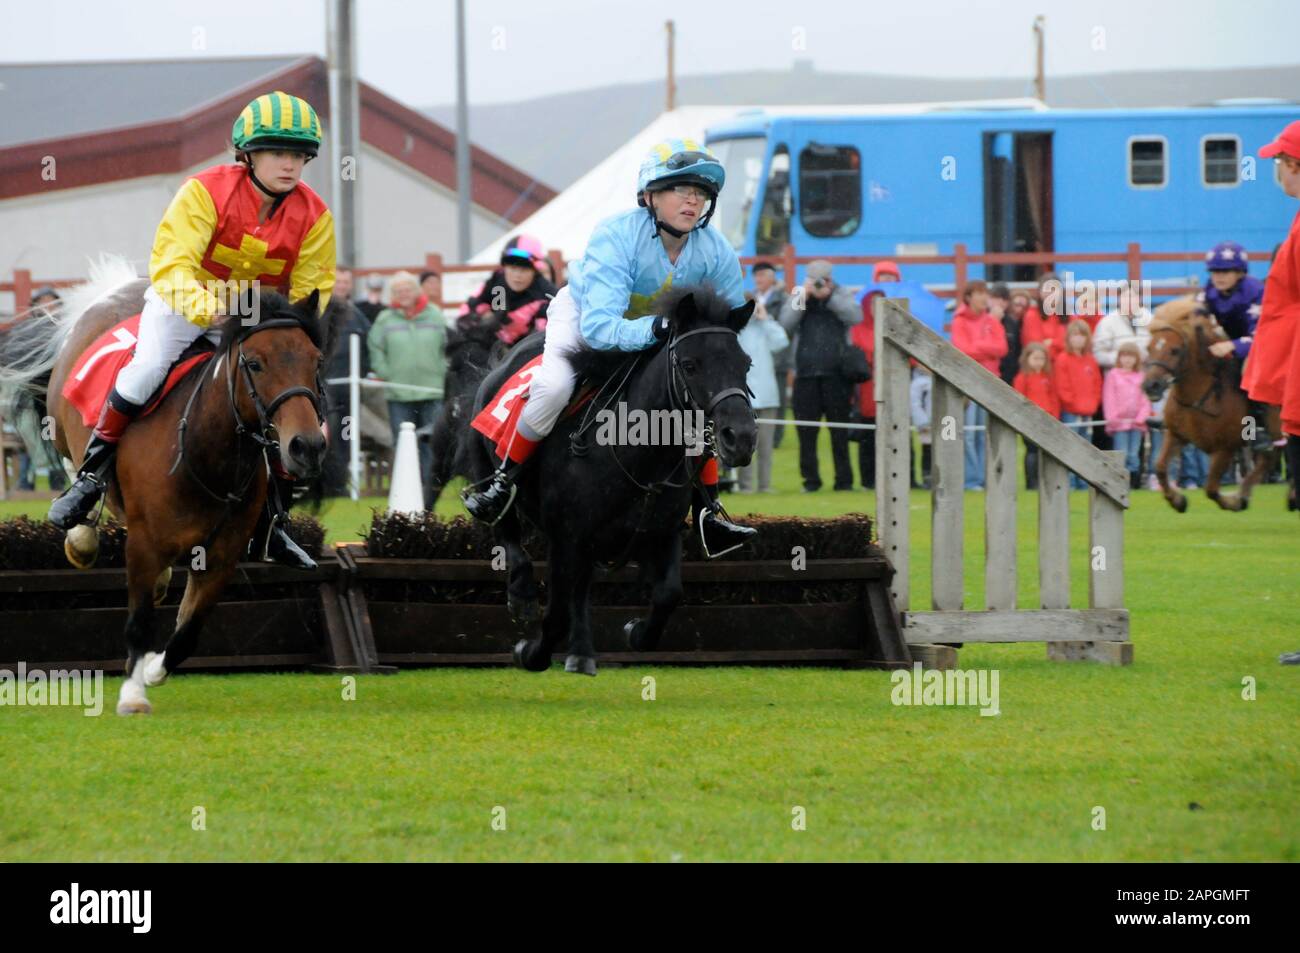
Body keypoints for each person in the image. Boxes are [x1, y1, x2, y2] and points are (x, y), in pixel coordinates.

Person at [47, 90, 334, 571]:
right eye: (278, 153)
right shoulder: (203, 191)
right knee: (147, 369)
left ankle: (274, 525)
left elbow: (312, 289)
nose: (290, 165)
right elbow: (173, 265)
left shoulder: (315, 215)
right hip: (182, 303)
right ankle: (89, 480)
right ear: (249, 155)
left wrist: (285, 328)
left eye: (299, 156)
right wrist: (211, 311)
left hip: (252, 318)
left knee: (291, 400)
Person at [460, 139, 757, 556]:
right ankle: (503, 482)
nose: (693, 199)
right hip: (585, 319)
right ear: (650, 195)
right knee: (553, 386)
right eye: (681, 189)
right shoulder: (616, 235)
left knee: (694, 402)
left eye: (701, 192)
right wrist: (657, 328)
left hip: (659, 336)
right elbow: (600, 329)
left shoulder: (717, 250)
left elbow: (720, 326)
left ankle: (710, 511)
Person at [779, 259, 862, 493]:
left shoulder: (841, 293)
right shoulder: (799, 294)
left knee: (839, 431)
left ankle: (844, 481)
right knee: (806, 432)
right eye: (814, 279)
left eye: (823, 279)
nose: (818, 283)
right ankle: (811, 481)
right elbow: (785, 323)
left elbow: (855, 316)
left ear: (830, 278)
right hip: (805, 375)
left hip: (837, 375)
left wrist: (829, 297)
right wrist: (803, 296)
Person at [368, 271, 446, 502]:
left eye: (407, 289)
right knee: (402, 441)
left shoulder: (435, 315)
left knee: (431, 442)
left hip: (432, 390)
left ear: (416, 291)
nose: (403, 294)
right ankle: (405, 485)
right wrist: (384, 372)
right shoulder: (385, 319)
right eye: (398, 291)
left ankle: (428, 490)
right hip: (398, 393)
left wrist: (443, 370)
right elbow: (375, 347)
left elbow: (448, 345)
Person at [1197, 240, 1271, 452]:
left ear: (1240, 272)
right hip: (1225, 346)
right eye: (1214, 271)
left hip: (1257, 345)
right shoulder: (1209, 290)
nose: (1218, 276)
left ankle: (1257, 429)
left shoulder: (1256, 291)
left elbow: (1261, 335)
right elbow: (1197, 316)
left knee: (1247, 374)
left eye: (1226, 271)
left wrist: (1233, 345)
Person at [950, 280, 1008, 490]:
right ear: (968, 297)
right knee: (969, 432)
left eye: (986, 293)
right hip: (969, 381)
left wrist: (979, 347)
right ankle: (972, 479)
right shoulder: (959, 320)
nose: (984, 298)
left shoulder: (991, 320)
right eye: (979, 294)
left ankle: (985, 477)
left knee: (986, 432)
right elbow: (962, 350)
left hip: (991, 380)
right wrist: (986, 346)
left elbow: (1002, 348)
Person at [321, 268, 373, 497]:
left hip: (350, 392)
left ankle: (342, 482)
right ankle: (325, 484)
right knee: (325, 436)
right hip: (324, 390)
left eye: (346, 282)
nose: (342, 285)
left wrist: (363, 373)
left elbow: (369, 347)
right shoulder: (320, 312)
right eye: (338, 281)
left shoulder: (357, 315)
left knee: (347, 435)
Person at [851, 261, 900, 489]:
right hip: (868, 387)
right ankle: (868, 479)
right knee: (869, 434)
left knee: (898, 431)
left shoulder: (898, 327)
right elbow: (861, 353)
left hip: (894, 383)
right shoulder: (859, 329)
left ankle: (901, 475)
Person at [734, 288, 789, 493]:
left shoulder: (766, 326)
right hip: (743, 395)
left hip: (767, 396)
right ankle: (745, 486)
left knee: (766, 447)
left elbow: (781, 342)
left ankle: (765, 485)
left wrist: (766, 319)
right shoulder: (735, 329)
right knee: (744, 444)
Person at [458, 235, 557, 346]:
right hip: (491, 346)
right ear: (504, 267)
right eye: (513, 268)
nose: (517, 276)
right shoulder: (497, 278)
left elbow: (547, 341)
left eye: (524, 269)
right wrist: (482, 317)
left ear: (535, 271)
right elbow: (467, 310)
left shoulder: (547, 295)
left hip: (527, 352)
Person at [1055, 320, 1103, 490]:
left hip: (1088, 411)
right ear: (1068, 338)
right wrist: (1073, 405)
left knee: (1086, 448)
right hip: (1071, 412)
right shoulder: (1063, 359)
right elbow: (1062, 387)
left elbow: (1097, 384)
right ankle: (1070, 482)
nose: (1078, 339)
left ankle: (1084, 482)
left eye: (1082, 335)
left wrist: (1093, 404)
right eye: (1075, 335)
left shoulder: (1090, 360)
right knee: (1071, 448)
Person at [1103, 343, 1154, 490]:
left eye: (1131, 356)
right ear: (1119, 358)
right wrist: (1113, 417)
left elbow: (1145, 399)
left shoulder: (1141, 376)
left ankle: (1133, 485)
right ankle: (1119, 485)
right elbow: (1109, 398)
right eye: (1124, 356)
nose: (1127, 360)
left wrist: (1141, 417)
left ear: (1136, 359)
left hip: (1136, 423)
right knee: (1121, 453)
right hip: (1119, 424)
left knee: (1133, 455)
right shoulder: (1113, 375)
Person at [751, 262, 790, 448]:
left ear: (772, 277)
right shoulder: (750, 299)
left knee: (776, 402)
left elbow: (787, 325)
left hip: (777, 357)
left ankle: (775, 438)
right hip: (756, 358)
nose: (758, 279)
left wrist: (767, 319)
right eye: (756, 276)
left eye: (762, 275)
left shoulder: (783, 299)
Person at [1013, 342, 1060, 490]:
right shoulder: (1022, 378)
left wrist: (1054, 417)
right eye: (1035, 358)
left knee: (1044, 452)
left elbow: (1053, 398)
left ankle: (1044, 481)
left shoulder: (1048, 377)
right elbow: (1019, 399)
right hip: (1030, 421)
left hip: (1047, 420)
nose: (1039, 362)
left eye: (1042, 358)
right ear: (1027, 359)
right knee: (1032, 452)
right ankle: (1031, 484)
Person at [1093, 283, 1152, 370]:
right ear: (1119, 299)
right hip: (1117, 380)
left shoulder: (1151, 320)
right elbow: (1097, 354)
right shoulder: (1107, 322)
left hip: (1145, 378)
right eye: (1125, 297)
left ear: (1140, 299)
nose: (1129, 301)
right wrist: (1124, 359)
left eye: (1133, 297)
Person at [1022, 271, 1068, 361]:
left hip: (1065, 365)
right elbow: (1036, 347)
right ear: (1039, 292)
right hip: (1041, 365)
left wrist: (1052, 342)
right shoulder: (1032, 315)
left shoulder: (1068, 316)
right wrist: (1061, 344)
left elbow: (1076, 344)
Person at [991, 283, 1022, 386]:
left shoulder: (1012, 323)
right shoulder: (981, 320)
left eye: (1004, 299)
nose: (1000, 302)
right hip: (987, 372)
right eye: (996, 297)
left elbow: (1017, 350)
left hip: (1008, 375)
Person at [910, 364, 933, 489]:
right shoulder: (919, 383)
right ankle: (928, 478)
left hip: (946, 422)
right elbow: (915, 404)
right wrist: (922, 422)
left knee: (947, 447)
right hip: (928, 423)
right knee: (928, 450)